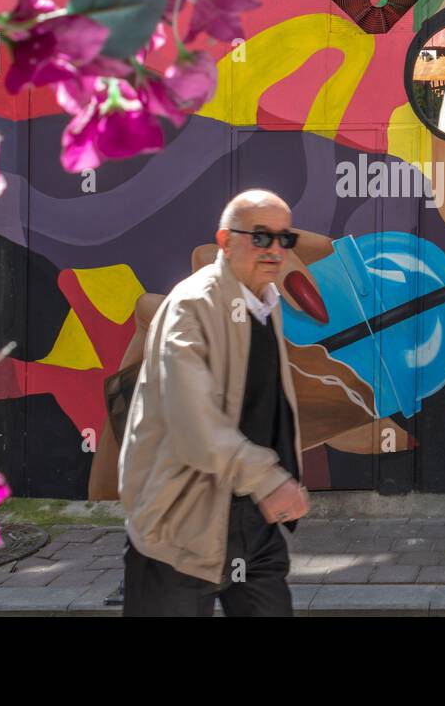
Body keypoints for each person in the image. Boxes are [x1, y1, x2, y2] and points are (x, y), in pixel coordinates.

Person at [119, 188, 309, 616]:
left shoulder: (266, 302)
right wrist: (268, 479)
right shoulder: (192, 306)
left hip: (252, 523)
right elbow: (193, 422)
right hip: (179, 525)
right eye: (260, 236)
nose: (275, 249)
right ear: (225, 241)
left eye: (285, 238)